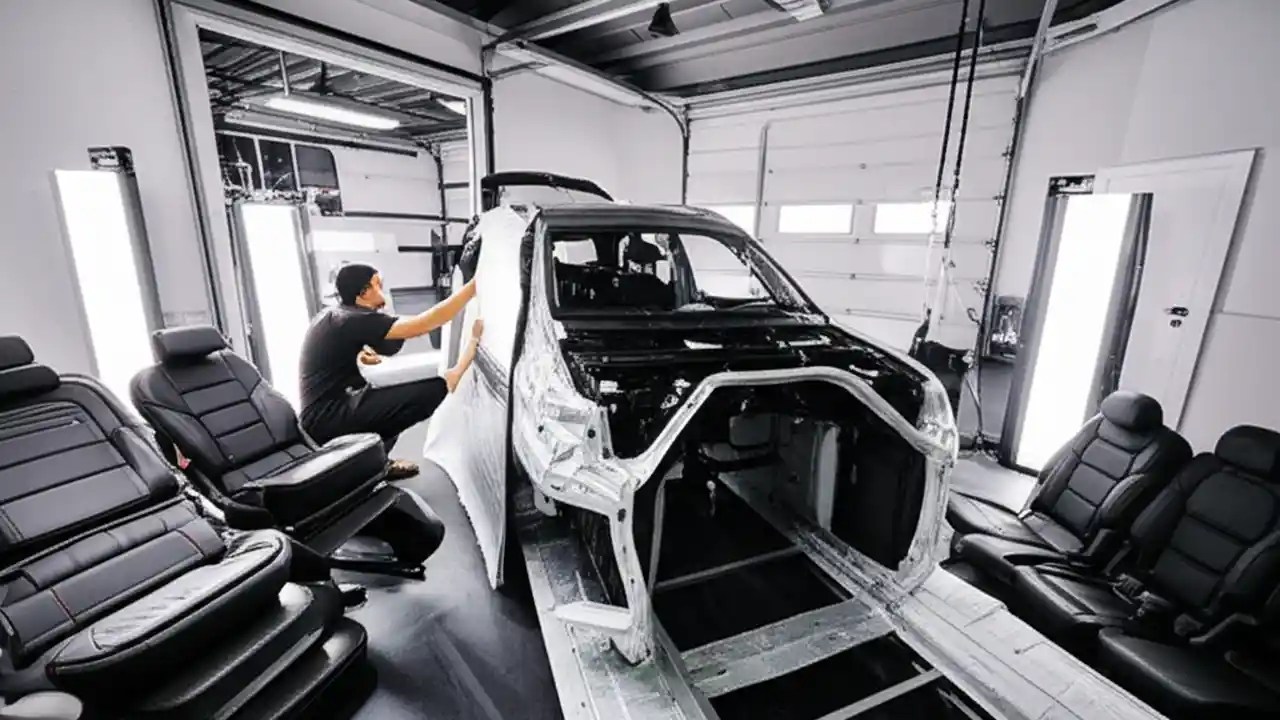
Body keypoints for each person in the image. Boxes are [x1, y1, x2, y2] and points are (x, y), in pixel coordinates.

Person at [298, 262, 481, 479]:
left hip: (321, 414)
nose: (382, 292)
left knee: (390, 400)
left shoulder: (337, 314)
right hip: (327, 419)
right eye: (378, 285)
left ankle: (376, 464)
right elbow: (424, 323)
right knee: (430, 390)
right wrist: (475, 285)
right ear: (363, 292)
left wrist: (359, 354)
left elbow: (330, 352)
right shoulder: (351, 319)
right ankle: (371, 468)